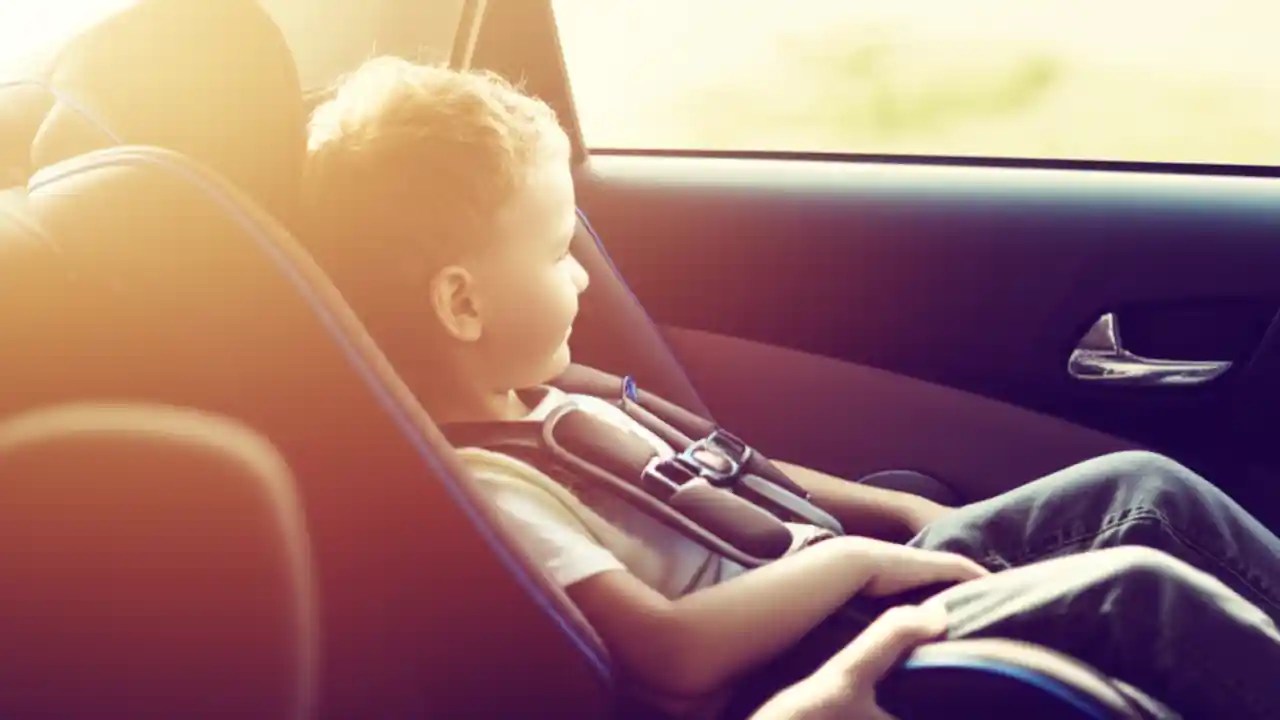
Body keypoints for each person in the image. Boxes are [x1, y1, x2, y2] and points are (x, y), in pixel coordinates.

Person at [299, 57, 1280, 719]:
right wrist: (852, 560)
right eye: (558, 252)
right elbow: (673, 656)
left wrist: (889, 512)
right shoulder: (494, 490)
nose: (582, 277)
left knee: (1138, 485)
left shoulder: (553, 403)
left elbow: (738, 472)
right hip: (808, 649)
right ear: (461, 302)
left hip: (832, 575)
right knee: (1135, 592)